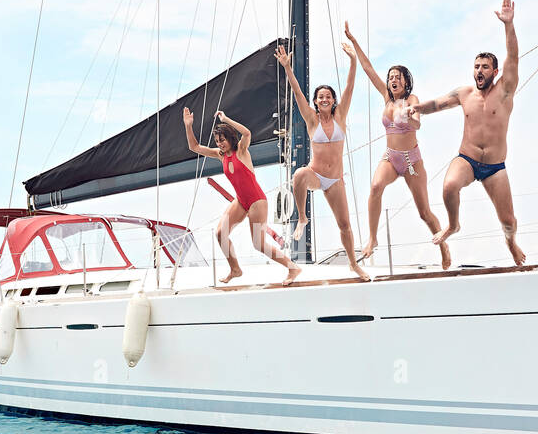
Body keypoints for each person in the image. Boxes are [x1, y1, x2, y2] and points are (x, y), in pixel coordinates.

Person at [413, 0, 526, 267]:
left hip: (495, 167)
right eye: (476, 66)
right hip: (468, 159)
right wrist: (414, 109)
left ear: (495, 71)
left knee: (508, 221)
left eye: (485, 67)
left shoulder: (505, 90)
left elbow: (513, 57)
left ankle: (511, 243)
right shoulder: (465, 94)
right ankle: (453, 225)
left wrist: (508, 25)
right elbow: (437, 104)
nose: (479, 71)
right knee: (450, 185)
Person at [344, 21, 451, 270]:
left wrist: (411, 115)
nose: (393, 80)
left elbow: (417, 125)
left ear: (405, 82)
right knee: (375, 187)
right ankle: (372, 237)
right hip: (391, 158)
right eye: (391, 77)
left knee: (424, 212)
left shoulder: (411, 100)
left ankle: (444, 244)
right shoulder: (386, 97)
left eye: (397, 77)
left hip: (411, 162)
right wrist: (354, 41)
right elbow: (368, 68)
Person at [273, 44, 370, 281]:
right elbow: (297, 93)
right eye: (320, 97)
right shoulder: (311, 119)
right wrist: (287, 68)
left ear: (333, 100)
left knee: (345, 225)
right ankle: (303, 217)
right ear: (316, 102)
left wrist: (353, 62)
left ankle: (353, 264)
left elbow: (349, 87)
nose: (324, 99)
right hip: (316, 174)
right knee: (298, 175)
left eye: (328, 96)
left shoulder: (340, 116)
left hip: (335, 180)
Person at [183, 105, 302, 286]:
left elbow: (246, 133)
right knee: (221, 233)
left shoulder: (242, 150)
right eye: (217, 140)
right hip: (241, 201)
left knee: (259, 244)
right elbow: (194, 147)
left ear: (230, 138)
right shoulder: (220, 155)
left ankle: (292, 267)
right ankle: (235, 269)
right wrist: (188, 125)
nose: (220, 143)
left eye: (222, 139)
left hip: (256, 201)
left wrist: (226, 119)